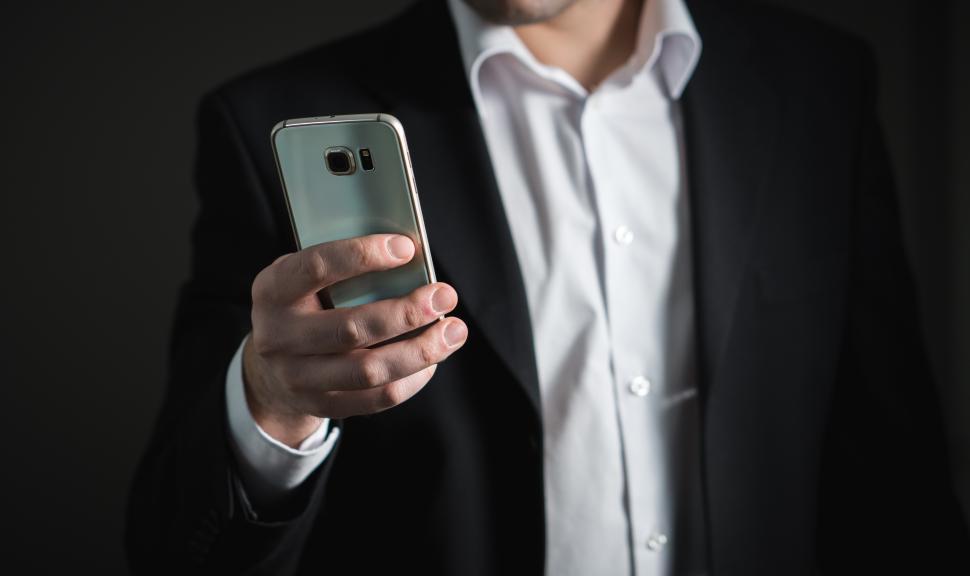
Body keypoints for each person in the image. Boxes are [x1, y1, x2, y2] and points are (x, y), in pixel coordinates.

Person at [126, 0, 970, 573]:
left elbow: (893, 471)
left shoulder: (817, 83)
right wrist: (271, 406)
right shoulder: (275, 120)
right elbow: (178, 549)